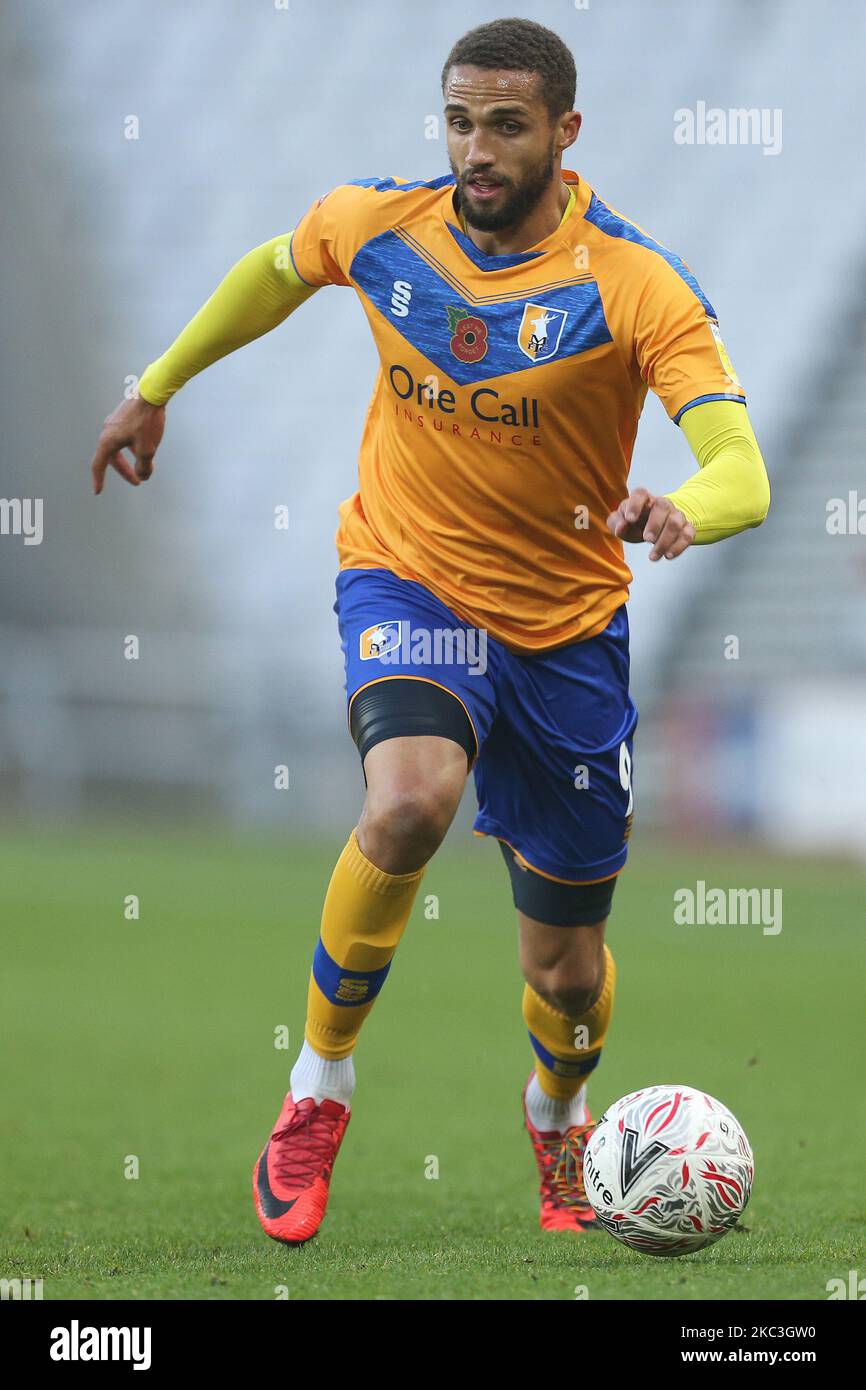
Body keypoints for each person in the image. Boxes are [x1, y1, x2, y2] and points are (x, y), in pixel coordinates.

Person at [90, 17, 770, 1244]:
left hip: (565, 636)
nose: (475, 148)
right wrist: (154, 385)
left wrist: (680, 507)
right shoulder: (381, 223)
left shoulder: (634, 284)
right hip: (407, 581)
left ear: (565, 132)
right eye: (459, 120)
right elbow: (273, 269)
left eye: (504, 124)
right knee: (406, 802)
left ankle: (558, 1118)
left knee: (563, 967)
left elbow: (742, 469)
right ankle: (317, 1091)